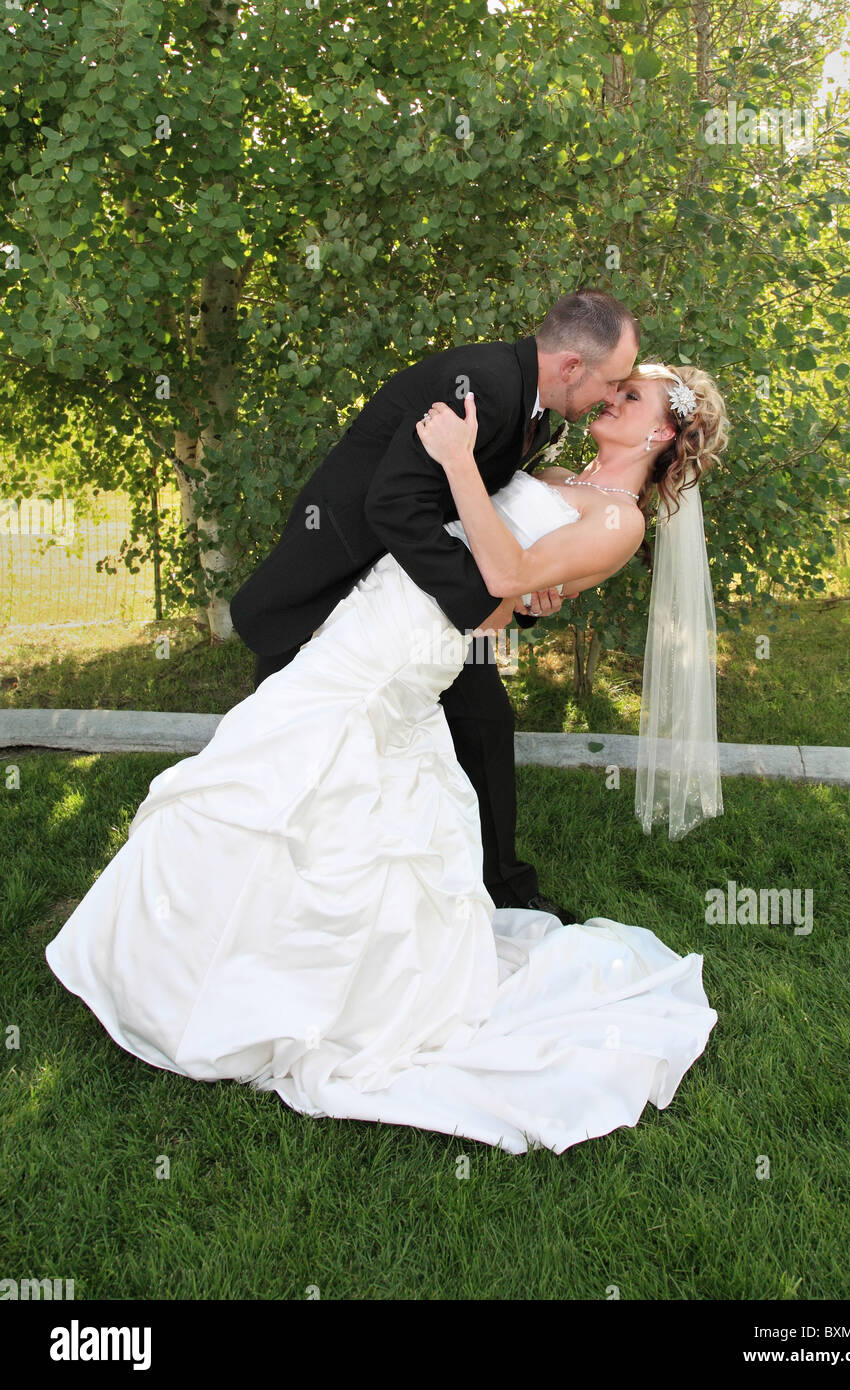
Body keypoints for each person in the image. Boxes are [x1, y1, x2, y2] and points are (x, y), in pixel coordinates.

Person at [45, 352, 728, 1154]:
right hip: (379, 610)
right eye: (616, 385)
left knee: (299, 768)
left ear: (663, 432)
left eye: (631, 395)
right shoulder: (556, 471)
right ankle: (186, 963)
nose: (612, 399)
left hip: (406, 652)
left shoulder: (621, 521)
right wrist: (521, 595)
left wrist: (459, 465)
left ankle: (272, 991)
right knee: (279, 766)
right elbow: (498, 591)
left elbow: (503, 567)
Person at [228, 289, 642, 925]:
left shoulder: (537, 411)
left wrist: (520, 596)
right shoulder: (483, 385)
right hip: (348, 580)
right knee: (297, 738)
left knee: (482, 723)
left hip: (425, 593)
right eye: (612, 382)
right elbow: (394, 504)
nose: (611, 397)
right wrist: (487, 602)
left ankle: (498, 889)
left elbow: (488, 513)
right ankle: (262, 889)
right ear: (569, 367)